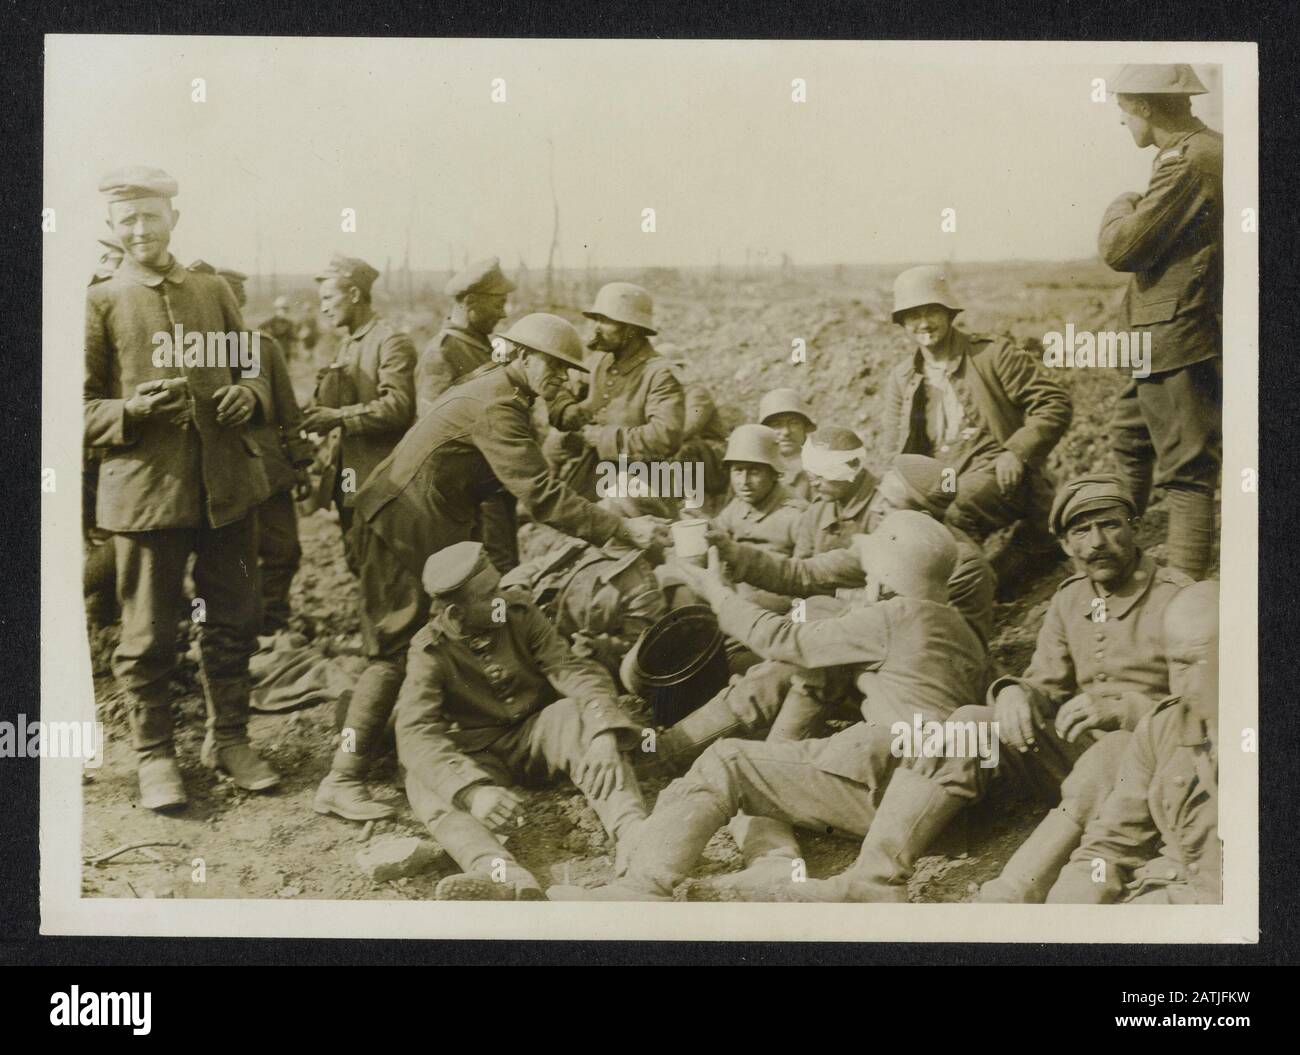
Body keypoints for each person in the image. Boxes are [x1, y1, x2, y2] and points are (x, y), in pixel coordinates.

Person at [310, 313, 664, 822]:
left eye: (568, 373)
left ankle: (421, 741)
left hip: (423, 520)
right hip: (398, 525)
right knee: (392, 650)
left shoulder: (497, 385)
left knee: (420, 642)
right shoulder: (498, 404)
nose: (561, 380)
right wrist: (624, 530)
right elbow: (541, 496)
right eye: (555, 368)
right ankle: (341, 778)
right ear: (521, 355)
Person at [547, 511, 985, 902]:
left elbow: (781, 639)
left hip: (882, 773)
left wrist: (715, 592)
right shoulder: (962, 632)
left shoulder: (894, 618)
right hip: (932, 809)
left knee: (728, 760)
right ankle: (769, 860)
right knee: (773, 755)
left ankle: (641, 888)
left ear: (886, 578)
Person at [85, 166, 279, 809]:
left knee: (235, 619)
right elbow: (72, 409)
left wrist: (245, 396)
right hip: (145, 496)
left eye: (151, 216)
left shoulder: (212, 289)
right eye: (127, 220)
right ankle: (154, 756)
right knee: (146, 637)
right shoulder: (101, 301)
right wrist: (132, 411)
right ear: (113, 228)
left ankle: (229, 738)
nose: (141, 229)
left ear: (174, 218)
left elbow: (255, 371)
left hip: (227, 490)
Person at [394, 541, 649, 900]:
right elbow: (414, 731)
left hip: (537, 734)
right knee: (422, 779)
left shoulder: (519, 611)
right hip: (481, 753)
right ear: (455, 615)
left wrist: (603, 730)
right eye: (488, 595)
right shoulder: (430, 651)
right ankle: (500, 875)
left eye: (498, 585)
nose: (501, 596)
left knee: (578, 717)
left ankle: (634, 836)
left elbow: (571, 670)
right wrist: (472, 791)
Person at [881, 265, 1073, 597]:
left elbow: (1054, 402)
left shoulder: (991, 355)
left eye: (932, 312)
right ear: (903, 323)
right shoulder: (903, 378)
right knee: (892, 519)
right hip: (941, 476)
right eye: (914, 316)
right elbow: (893, 445)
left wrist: (1017, 451)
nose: (924, 323)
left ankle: (969, 600)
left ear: (949, 313)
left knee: (956, 513)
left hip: (998, 471)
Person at [1101, 63, 1223, 581]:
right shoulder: (1193, 153)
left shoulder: (1192, 160)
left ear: (1146, 108)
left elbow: (1123, 248)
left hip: (1179, 336)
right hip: (1159, 337)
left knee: (1187, 471)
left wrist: (1119, 205)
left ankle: (1186, 592)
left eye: (1125, 113)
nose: (1124, 123)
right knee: (1129, 438)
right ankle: (1111, 559)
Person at [1048, 580, 1220, 903]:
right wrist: (1071, 905)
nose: (1189, 685)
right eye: (1178, 664)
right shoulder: (1163, 728)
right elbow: (1109, 845)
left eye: (1206, 662)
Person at [208, 264, 315, 632]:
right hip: (215, 476)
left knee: (282, 551)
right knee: (227, 561)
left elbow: (288, 411)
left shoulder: (262, 346)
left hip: (269, 472)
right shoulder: (186, 352)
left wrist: (301, 462)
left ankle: (272, 624)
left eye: (232, 299)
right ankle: (234, 630)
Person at [301, 255, 416, 544]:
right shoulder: (347, 343)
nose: (324, 308)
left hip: (381, 484)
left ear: (353, 294)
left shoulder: (390, 341)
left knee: (383, 575)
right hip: (348, 483)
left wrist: (336, 417)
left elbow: (397, 407)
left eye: (329, 298)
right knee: (358, 564)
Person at [549, 282, 685, 514]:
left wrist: (602, 437)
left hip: (643, 482)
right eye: (597, 320)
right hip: (596, 474)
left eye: (606, 321)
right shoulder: (601, 361)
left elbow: (665, 436)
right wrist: (568, 408)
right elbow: (561, 386)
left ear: (631, 329)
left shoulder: (660, 373)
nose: (597, 328)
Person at [498, 532, 667, 686]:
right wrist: (517, 586)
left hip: (560, 659)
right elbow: (536, 565)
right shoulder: (585, 544)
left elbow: (638, 646)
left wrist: (598, 647)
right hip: (522, 625)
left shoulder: (641, 585)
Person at [414, 256, 515, 416]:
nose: (503, 314)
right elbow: (432, 424)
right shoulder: (441, 353)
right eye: (498, 305)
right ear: (470, 302)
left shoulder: (482, 344)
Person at [758, 388, 817, 500]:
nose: (786, 432)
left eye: (794, 423)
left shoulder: (818, 469)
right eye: (776, 424)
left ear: (805, 428)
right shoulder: (753, 468)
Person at [260, 295, 298, 361]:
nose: (284, 312)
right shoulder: (270, 322)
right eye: (282, 309)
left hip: (285, 352)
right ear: (277, 310)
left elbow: (294, 338)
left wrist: (295, 349)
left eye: (285, 310)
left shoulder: (289, 323)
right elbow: (260, 329)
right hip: (273, 351)